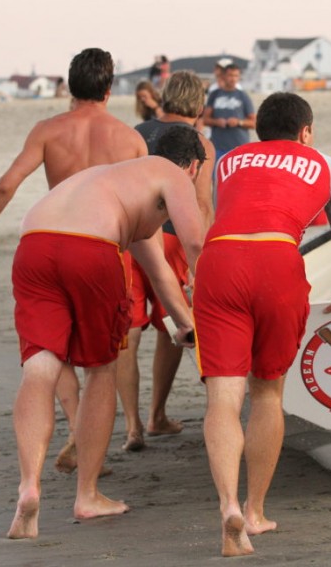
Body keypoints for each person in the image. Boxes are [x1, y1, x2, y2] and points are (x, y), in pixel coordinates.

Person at [0, 127, 207, 539]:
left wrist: (185, 325)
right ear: (194, 166)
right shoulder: (174, 173)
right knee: (100, 368)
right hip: (89, 249)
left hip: (34, 245)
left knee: (40, 366)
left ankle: (28, 487)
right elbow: (195, 243)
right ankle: (88, 495)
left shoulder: (114, 181)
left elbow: (160, 273)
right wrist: (210, 297)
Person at [194, 92, 331, 557]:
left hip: (220, 259)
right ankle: (254, 510)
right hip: (277, 260)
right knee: (267, 392)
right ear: (305, 132)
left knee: (223, 399)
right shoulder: (324, 164)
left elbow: (227, 211)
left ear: (258, 129)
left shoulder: (230, 159)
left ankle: (227, 503)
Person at [0, 48, 148, 473]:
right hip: (103, 252)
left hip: (48, 246)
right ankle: (89, 440)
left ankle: (71, 425)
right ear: (109, 88)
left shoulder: (47, 130)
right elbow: (143, 213)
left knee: (54, 349)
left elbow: (7, 185)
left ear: (69, 86)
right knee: (100, 359)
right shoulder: (130, 139)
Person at [117, 71, 215, 452]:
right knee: (171, 327)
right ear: (199, 104)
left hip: (130, 238)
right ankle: (157, 413)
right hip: (174, 237)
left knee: (129, 329)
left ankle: (132, 425)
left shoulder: (137, 132)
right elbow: (202, 203)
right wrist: (199, 259)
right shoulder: (200, 142)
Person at [202, 63, 255, 164]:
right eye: (230, 75)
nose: (233, 79)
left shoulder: (243, 96)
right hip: (218, 148)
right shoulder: (215, 94)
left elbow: (254, 122)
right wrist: (217, 122)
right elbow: (205, 119)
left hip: (240, 148)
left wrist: (239, 122)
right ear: (224, 76)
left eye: (236, 76)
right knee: (218, 178)